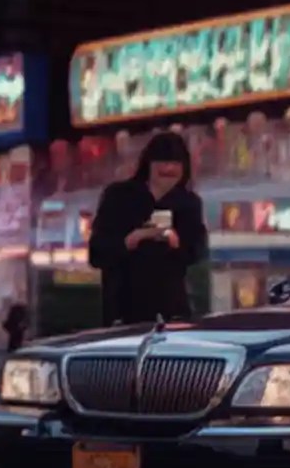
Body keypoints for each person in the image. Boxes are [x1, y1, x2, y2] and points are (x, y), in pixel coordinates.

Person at [89, 132, 208, 325]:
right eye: (163, 162)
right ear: (148, 164)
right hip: (124, 311)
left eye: (176, 163)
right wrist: (131, 240)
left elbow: (197, 253)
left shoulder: (189, 203)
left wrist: (175, 241)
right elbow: (96, 253)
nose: (169, 169)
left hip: (172, 313)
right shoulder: (118, 196)